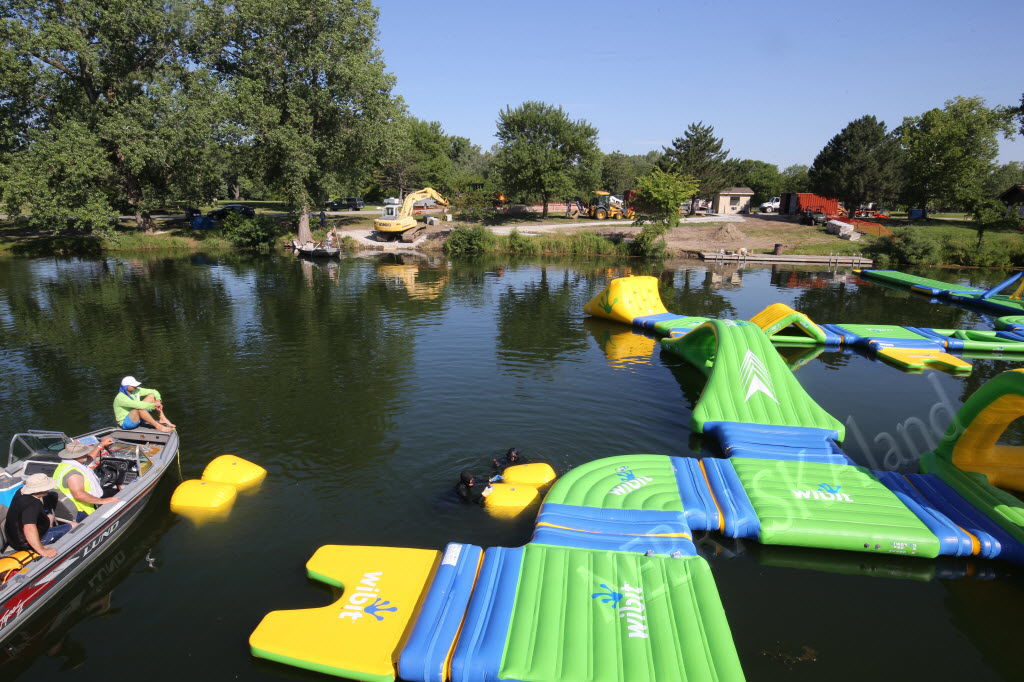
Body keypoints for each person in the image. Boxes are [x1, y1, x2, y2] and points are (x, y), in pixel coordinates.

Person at [4, 474, 76, 557]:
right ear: (41, 490)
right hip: (26, 542)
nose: (49, 489)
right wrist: (43, 551)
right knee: (74, 526)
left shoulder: (20, 492)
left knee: (50, 516)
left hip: (13, 538)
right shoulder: (33, 504)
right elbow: (29, 528)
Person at [53, 443, 120, 517]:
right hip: (79, 510)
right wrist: (103, 501)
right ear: (73, 456)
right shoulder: (73, 474)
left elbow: (88, 459)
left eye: (84, 452)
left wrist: (100, 445)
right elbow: (79, 495)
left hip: (69, 508)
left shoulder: (67, 464)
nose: (86, 454)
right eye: (82, 453)